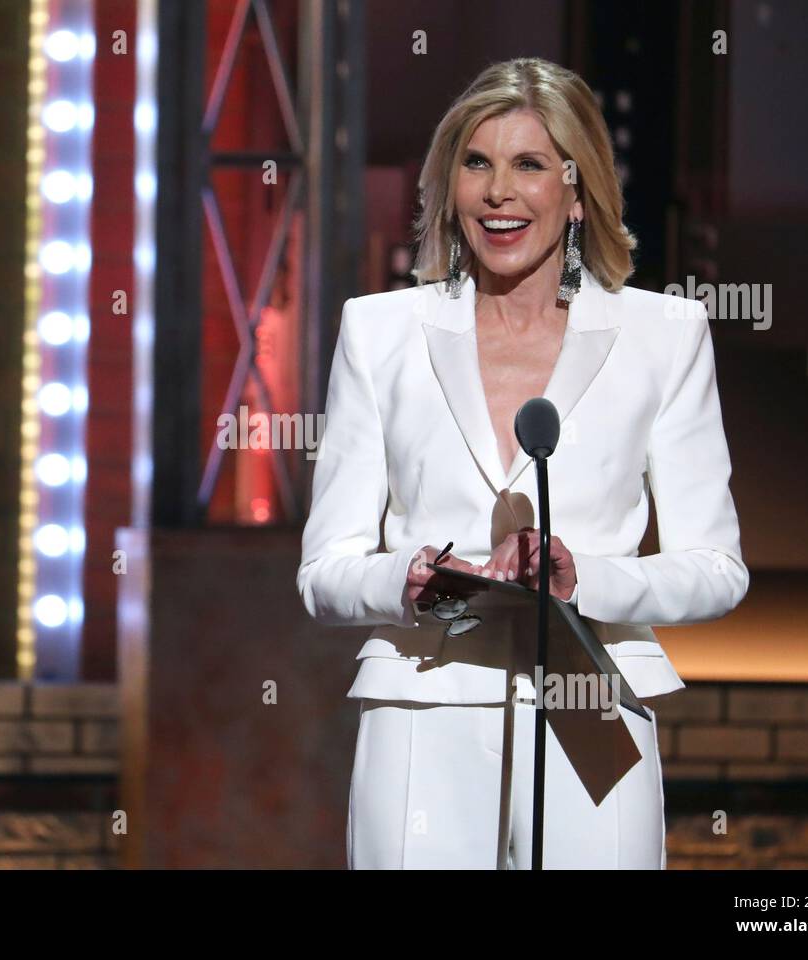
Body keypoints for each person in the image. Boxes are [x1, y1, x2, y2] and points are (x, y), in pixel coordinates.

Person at [296, 57, 749, 869]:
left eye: (529, 165)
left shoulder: (665, 335)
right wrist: (405, 576)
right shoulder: (379, 331)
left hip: (591, 708)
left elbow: (717, 569)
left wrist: (587, 580)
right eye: (477, 163)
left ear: (578, 191)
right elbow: (324, 572)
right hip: (421, 701)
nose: (498, 192)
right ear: (450, 184)